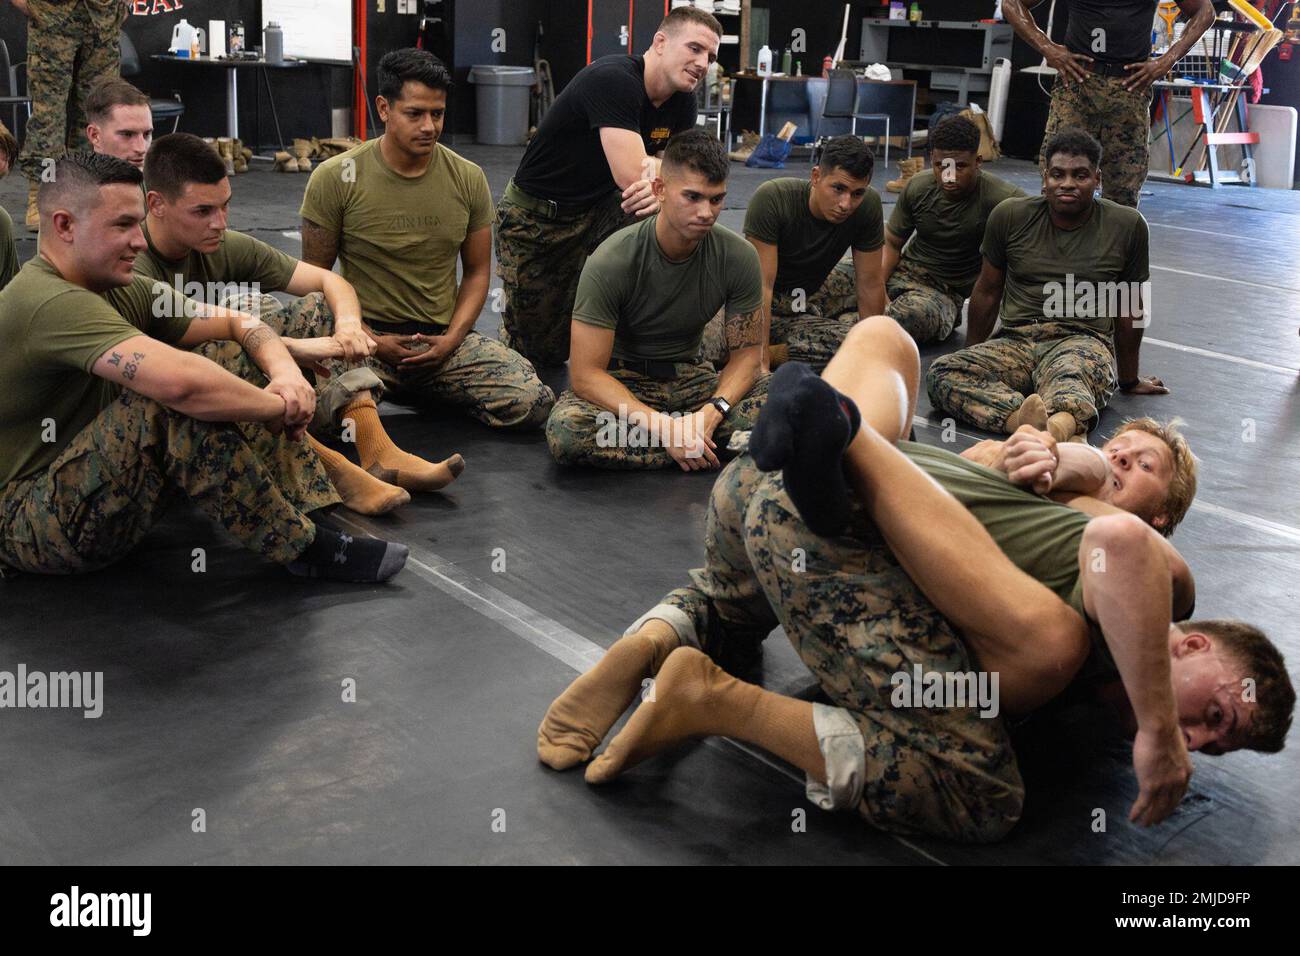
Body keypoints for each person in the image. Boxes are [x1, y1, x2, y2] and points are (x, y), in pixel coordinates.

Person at [537, 317, 1293, 843]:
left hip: (765, 493)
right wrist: (1161, 736)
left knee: (740, 607)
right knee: (993, 765)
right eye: (1214, 719)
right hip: (830, 522)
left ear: (1169, 511)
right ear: (1191, 644)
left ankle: (651, 641)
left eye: (1142, 469)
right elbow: (1126, 547)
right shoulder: (1155, 567)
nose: (1196, 743)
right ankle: (713, 695)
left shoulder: (1055, 502)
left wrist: (1069, 461)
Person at [0, 152, 408, 583]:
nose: (139, 242)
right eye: (121, 226)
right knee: (169, 402)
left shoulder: (115, 286)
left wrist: (286, 375)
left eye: (137, 224)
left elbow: (237, 322)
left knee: (228, 352)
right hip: (32, 525)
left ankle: (306, 507)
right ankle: (303, 546)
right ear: (64, 226)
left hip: (93, 491)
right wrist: (278, 407)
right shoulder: (49, 301)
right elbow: (180, 386)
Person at [137, 133, 462, 515]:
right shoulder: (131, 264)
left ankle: (378, 449)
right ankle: (331, 467)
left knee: (318, 309)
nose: (220, 222)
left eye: (225, 206)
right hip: (149, 410)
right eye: (203, 211)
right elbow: (160, 357)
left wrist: (348, 329)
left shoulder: (219, 242)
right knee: (224, 351)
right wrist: (295, 349)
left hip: (218, 367)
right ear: (156, 205)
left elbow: (329, 282)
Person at [301, 48, 554, 432]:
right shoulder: (335, 178)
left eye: (437, 114)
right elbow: (314, 281)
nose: (429, 127)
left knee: (533, 403)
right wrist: (370, 338)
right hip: (366, 341)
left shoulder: (467, 177)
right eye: (415, 114)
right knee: (318, 411)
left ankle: (428, 389)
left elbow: (477, 272)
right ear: (384, 109)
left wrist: (451, 341)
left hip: (440, 343)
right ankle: (381, 396)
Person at [495, 4, 717, 367]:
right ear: (660, 42)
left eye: (710, 56)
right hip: (538, 221)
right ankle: (524, 328)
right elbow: (632, 174)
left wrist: (662, 174)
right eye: (694, 48)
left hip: (600, 210)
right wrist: (662, 173)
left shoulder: (682, 102)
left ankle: (647, 334)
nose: (703, 63)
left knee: (676, 211)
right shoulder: (613, 79)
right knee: (543, 353)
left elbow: (677, 175)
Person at [926, 128, 1166, 444]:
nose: (1067, 183)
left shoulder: (1127, 225)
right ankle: (1021, 421)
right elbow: (986, 291)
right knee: (942, 373)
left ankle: (1057, 430)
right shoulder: (1010, 216)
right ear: (1044, 179)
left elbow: (1131, 306)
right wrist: (975, 352)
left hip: (1081, 340)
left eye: (1079, 175)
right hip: (1017, 340)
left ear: (1097, 179)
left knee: (1071, 384)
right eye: (1058, 174)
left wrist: (1129, 378)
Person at [544, 130, 766, 471]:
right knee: (569, 432)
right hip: (625, 384)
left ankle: (692, 439)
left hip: (692, 381)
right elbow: (586, 375)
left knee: (788, 405)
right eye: (692, 197)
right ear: (660, 190)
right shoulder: (612, 259)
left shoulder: (739, 257)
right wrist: (663, 427)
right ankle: (701, 445)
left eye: (716, 199)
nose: (707, 212)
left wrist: (712, 412)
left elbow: (748, 360)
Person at [1001, 0, 1213, 208]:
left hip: (1128, 88)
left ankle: (1113, 241)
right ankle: (1058, 240)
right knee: (1060, 183)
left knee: (1123, 192)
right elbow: (1011, 4)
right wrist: (1048, 49)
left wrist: (1166, 61)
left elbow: (1205, 12)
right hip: (1078, 85)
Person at [699, 135, 886, 372]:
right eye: (838, 189)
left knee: (861, 348)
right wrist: (761, 362)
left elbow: (870, 283)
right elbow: (761, 287)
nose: (846, 204)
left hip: (795, 310)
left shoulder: (868, 207)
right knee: (693, 344)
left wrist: (875, 361)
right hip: (741, 306)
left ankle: (765, 352)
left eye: (857, 193)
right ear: (816, 176)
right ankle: (750, 352)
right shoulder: (774, 198)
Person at [882, 115, 1025, 344]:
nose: (950, 176)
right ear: (932, 159)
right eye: (942, 166)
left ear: (978, 162)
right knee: (826, 279)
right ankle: (856, 322)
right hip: (902, 271)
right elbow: (891, 243)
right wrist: (877, 289)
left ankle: (854, 324)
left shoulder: (1005, 200)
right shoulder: (918, 186)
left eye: (961, 167)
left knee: (909, 318)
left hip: (942, 294)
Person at [13, 0, 127, 230]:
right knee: (48, 115)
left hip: (102, 18)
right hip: (52, 16)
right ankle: (43, 193)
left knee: (96, 113)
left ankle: (83, 190)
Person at [84, 77, 154, 170]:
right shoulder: (69, 182)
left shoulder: (164, 181)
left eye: (146, 134)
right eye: (127, 134)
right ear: (95, 136)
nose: (141, 149)